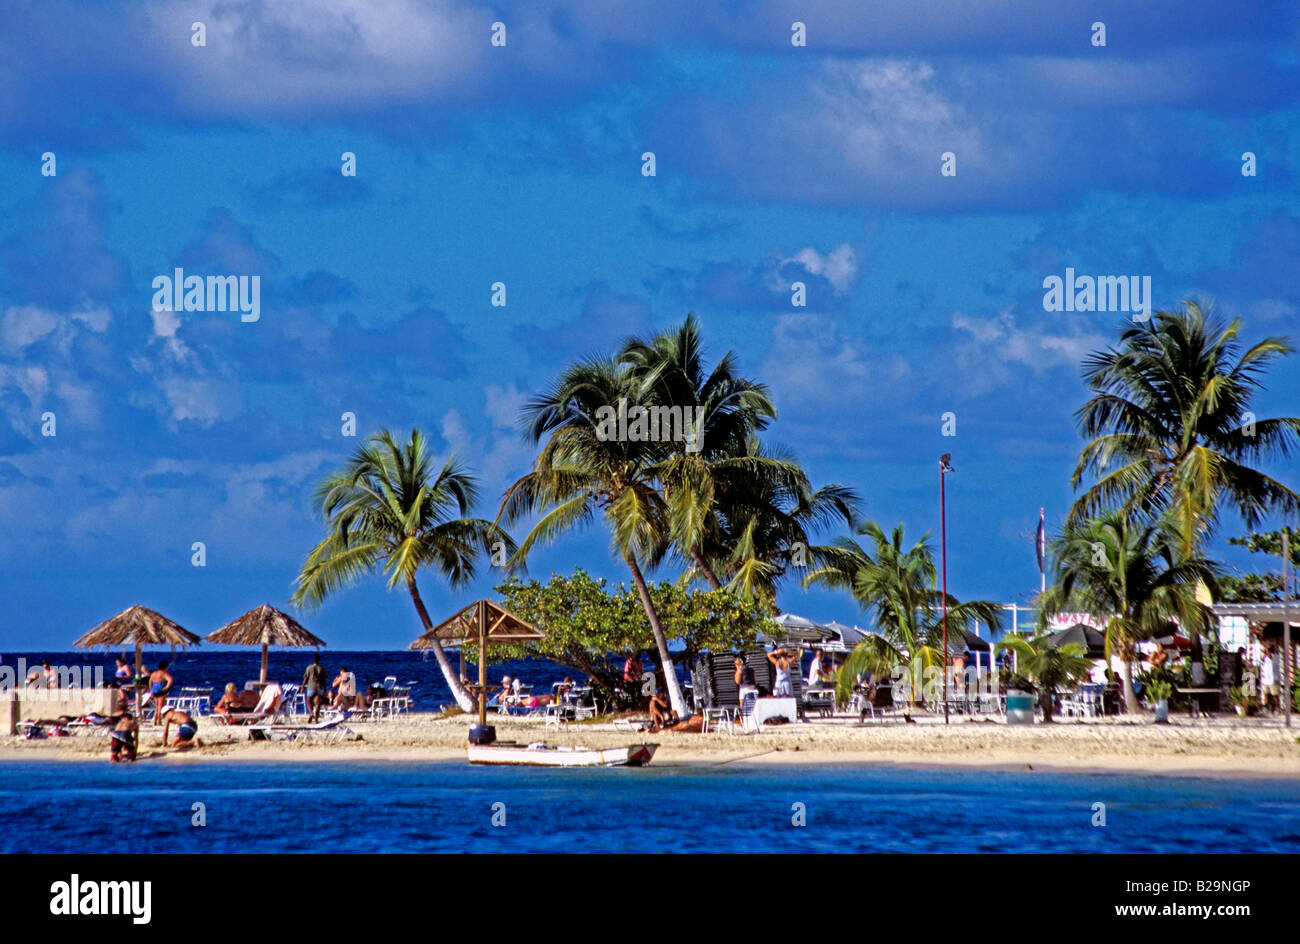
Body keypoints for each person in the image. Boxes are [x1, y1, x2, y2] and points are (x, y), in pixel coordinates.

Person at [303, 653, 328, 722]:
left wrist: (302, 687)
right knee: (318, 704)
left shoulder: (309, 667)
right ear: (319, 660)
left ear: (313, 660)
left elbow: (306, 678)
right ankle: (316, 719)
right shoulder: (322, 668)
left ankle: (311, 713)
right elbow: (324, 680)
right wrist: (325, 689)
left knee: (308, 701)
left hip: (311, 687)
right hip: (319, 687)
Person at [1261, 646, 1278, 713]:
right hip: (1265, 679)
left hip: (1273, 679)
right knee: (1266, 694)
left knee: (1274, 694)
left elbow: (1274, 663)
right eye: (1266, 650)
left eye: (1267, 650)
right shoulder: (1264, 658)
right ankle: (1266, 708)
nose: (1266, 652)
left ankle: (1276, 708)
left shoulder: (1275, 657)